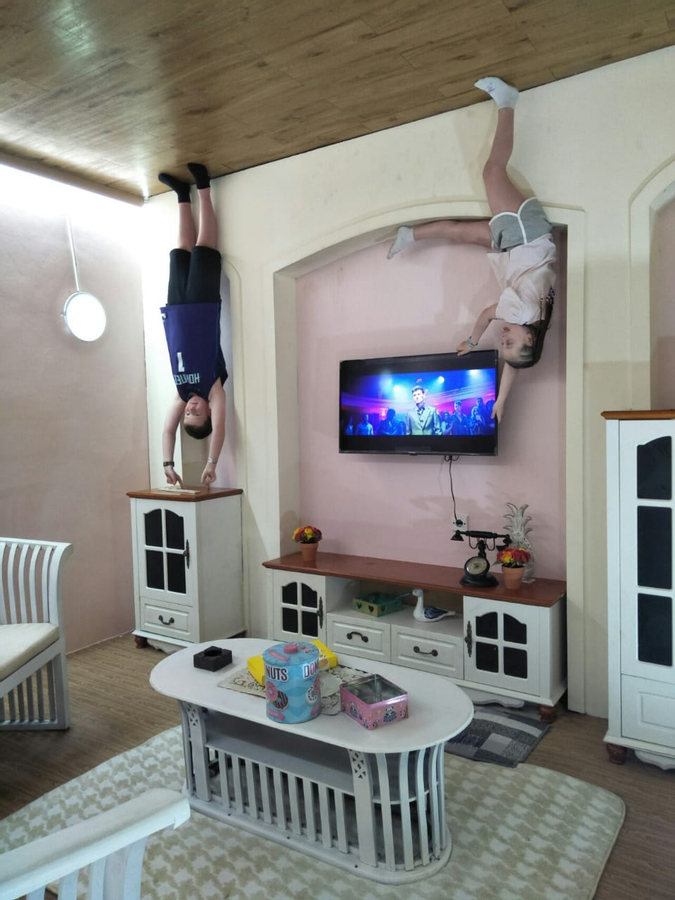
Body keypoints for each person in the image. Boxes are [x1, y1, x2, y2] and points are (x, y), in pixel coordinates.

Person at [387, 77, 556, 423]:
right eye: (510, 342)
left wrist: (501, 401)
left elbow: (515, 364)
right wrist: (473, 341)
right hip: (524, 234)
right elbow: (486, 315)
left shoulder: (535, 321)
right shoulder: (521, 312)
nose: (504, 340)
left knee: (458, 233)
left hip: (515, 244)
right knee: (492, 171)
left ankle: (410, 235)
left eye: (503, 345)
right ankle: (508, 103)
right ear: (529, 338)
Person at [157, 163, 227, 487]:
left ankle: (182, 196)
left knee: (181, 252)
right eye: (198, 413)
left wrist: (168, 464)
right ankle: (204, 188)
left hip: (176, 312)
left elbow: (167, 429)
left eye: (189, 413)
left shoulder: (182, 393)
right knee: (203, 248)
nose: (192, 408)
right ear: (209, 411)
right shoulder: (214, 389)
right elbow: (220, 428)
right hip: (203, 308)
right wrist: (212, 463)